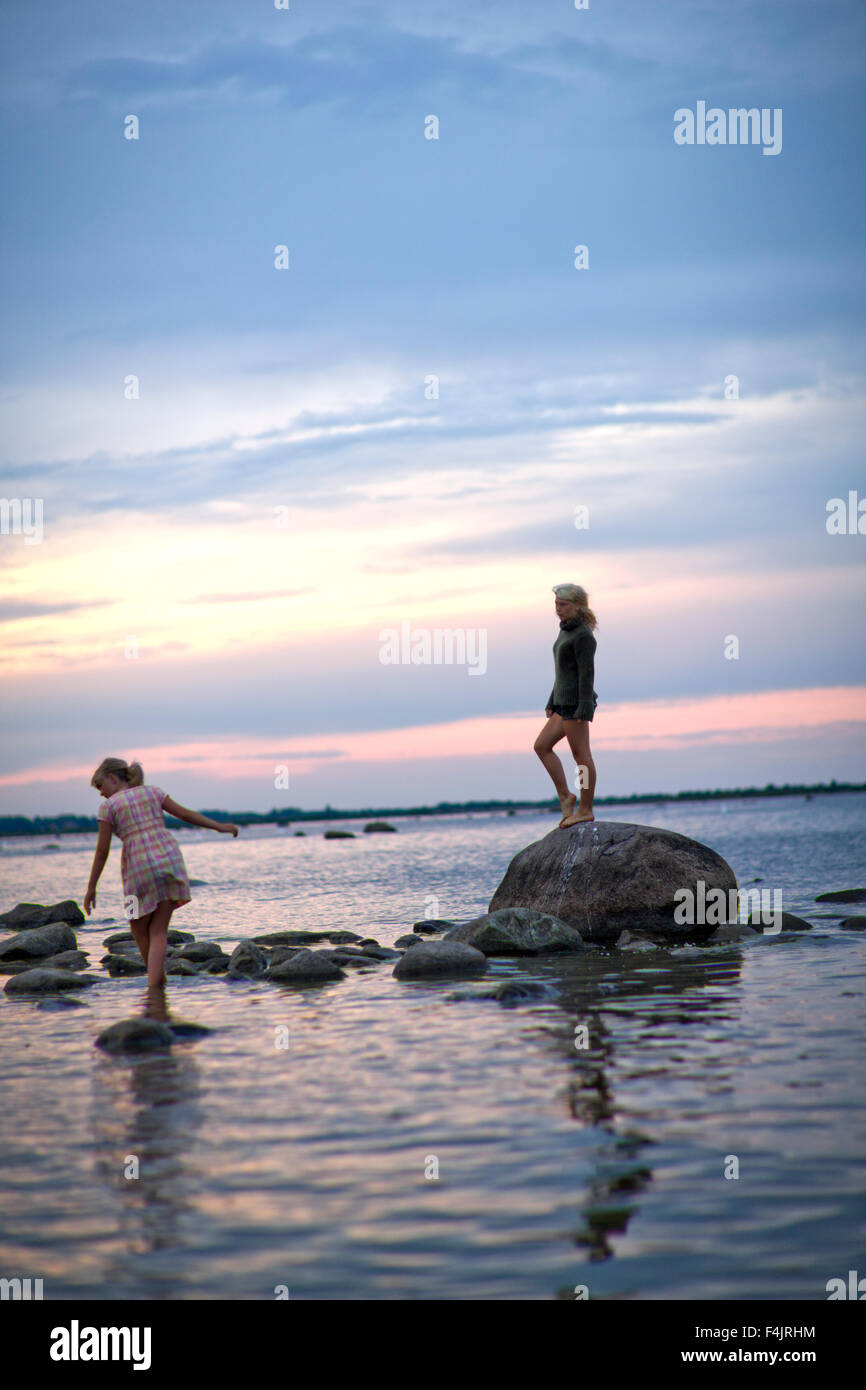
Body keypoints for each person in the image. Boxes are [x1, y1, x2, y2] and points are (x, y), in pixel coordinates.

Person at [84, 757, 238, 989]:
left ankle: (155, 985)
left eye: (100, 786)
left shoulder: (109, 806)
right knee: (158, 930)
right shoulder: (153, 792)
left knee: (136, 924)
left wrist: (91, 887)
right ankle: (157, 982)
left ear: (112, 778)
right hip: (169, 861)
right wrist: (220, 827)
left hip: (137, 869)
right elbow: (185, 815)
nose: (101, 793)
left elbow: (102, 850)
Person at [533, 584, 598, 826]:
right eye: (556, 605)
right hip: (562, 703)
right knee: (541, 746)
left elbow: (586, 674)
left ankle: (585, 808)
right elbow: (564, 672)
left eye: (563, 605)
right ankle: (565, 796)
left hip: (576, 706)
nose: (558, 609)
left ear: (578, 606)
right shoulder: (565, 631)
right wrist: (552, 700)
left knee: (582, 758)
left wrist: (584, 708)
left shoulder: (583, 635)